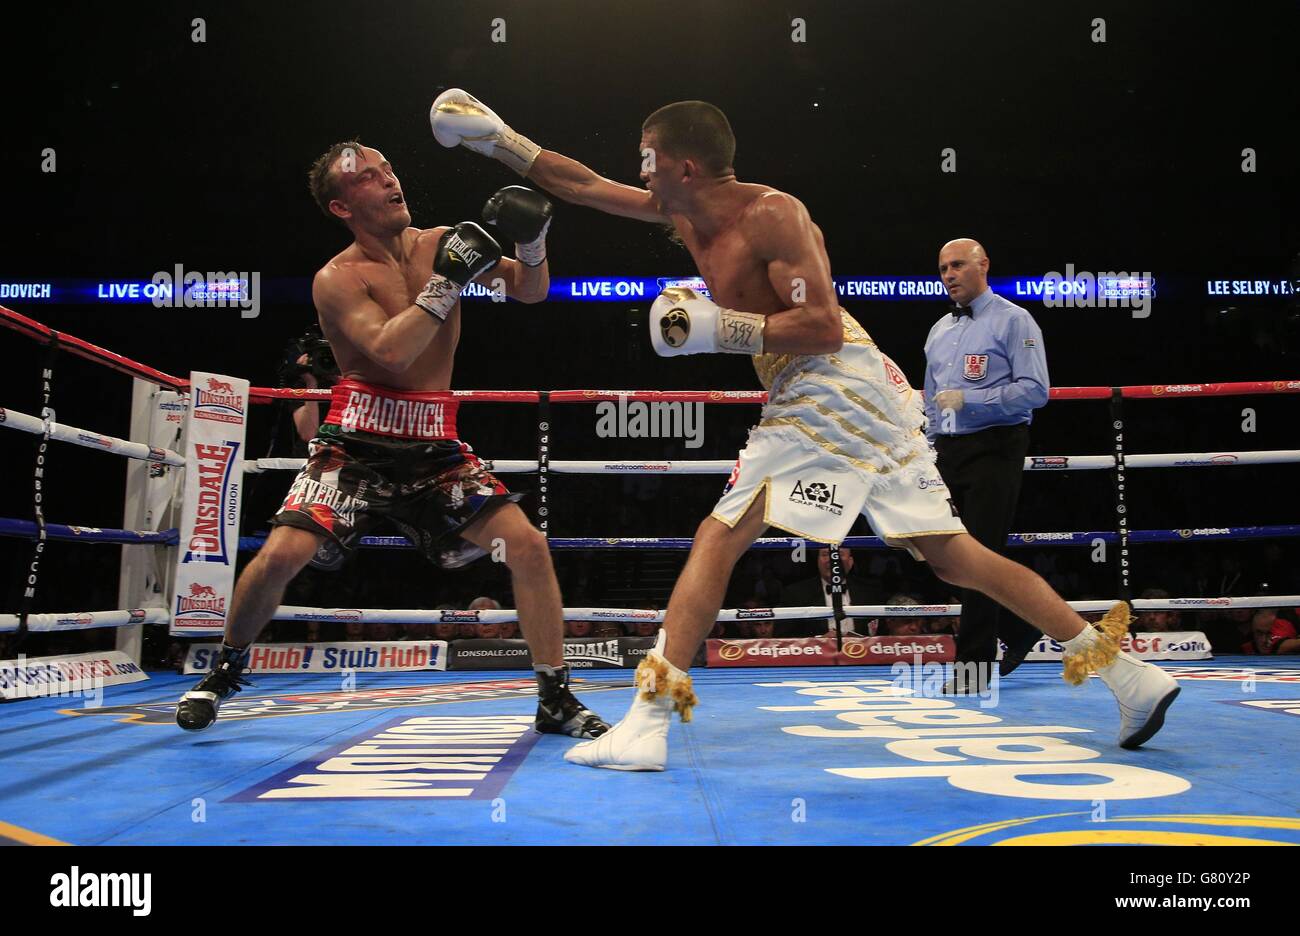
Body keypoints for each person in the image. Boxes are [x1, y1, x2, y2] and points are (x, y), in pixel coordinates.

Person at [431, 91, 1179, 768]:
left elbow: (820, 324)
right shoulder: (683, 210)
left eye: (649, 161)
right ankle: (1128, 673)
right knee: (953, 558)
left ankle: (650, 719)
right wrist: (496, 137)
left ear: (685, 165)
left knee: (719, 535)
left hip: (832, 380)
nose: (642, 174)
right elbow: (583, 186)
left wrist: (717, 329)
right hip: (851, 391)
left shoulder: (772, 214)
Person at [175, 141, 608, 740]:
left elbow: (529, 290)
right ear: (340, 206)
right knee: (281, 555)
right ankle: (222, 671)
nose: (388, 180)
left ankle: (554, 698)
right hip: (355, 440)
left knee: (528, 546)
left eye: (388, 170)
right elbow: (390, 350)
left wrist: (531, 241)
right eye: (369, 179)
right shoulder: (337, 278)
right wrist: (446, 284)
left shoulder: (443, 241)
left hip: (436, 443)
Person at [924, 238, 1048, 687]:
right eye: (942, 268)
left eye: (957, 265)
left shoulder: (1014, 320)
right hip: (948, 452)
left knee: (981, 554)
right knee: (942, 555)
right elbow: (930, 400)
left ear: (983, 266)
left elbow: (1036, 390)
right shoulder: (938, 330)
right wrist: (927, 447)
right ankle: (1020, 625)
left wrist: (972, 401)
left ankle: (974, 667)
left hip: (996, 447)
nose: (949, 275)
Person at [780, 547, 881, 637]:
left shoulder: (869, 592)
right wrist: (819, 643)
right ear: (818, 561)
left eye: (838, 554)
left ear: (850, 562)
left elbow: (882, 635)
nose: (832, 559)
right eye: (825, 554)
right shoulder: (796, 593)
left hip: (860, 654)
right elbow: (786, 636)